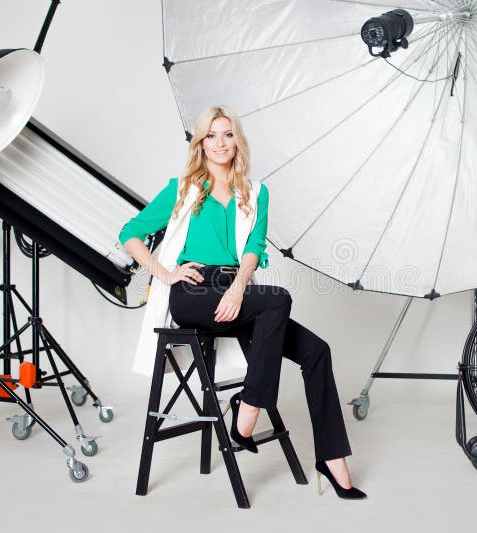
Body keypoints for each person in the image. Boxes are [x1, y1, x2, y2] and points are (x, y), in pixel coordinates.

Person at [119, 105, 366, 500]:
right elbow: (130, 233)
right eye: (211, 135)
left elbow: (253, 248)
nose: (220, 143)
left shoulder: (255, 193)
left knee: (317, 351)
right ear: (201, 143)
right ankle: (249, 407)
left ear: (238, 141)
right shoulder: (182, 189)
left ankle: (332, 459)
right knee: (278, 299)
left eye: (228, 134)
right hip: (194, 291)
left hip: (237, 290)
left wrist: (237, 288)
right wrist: (165, 274)